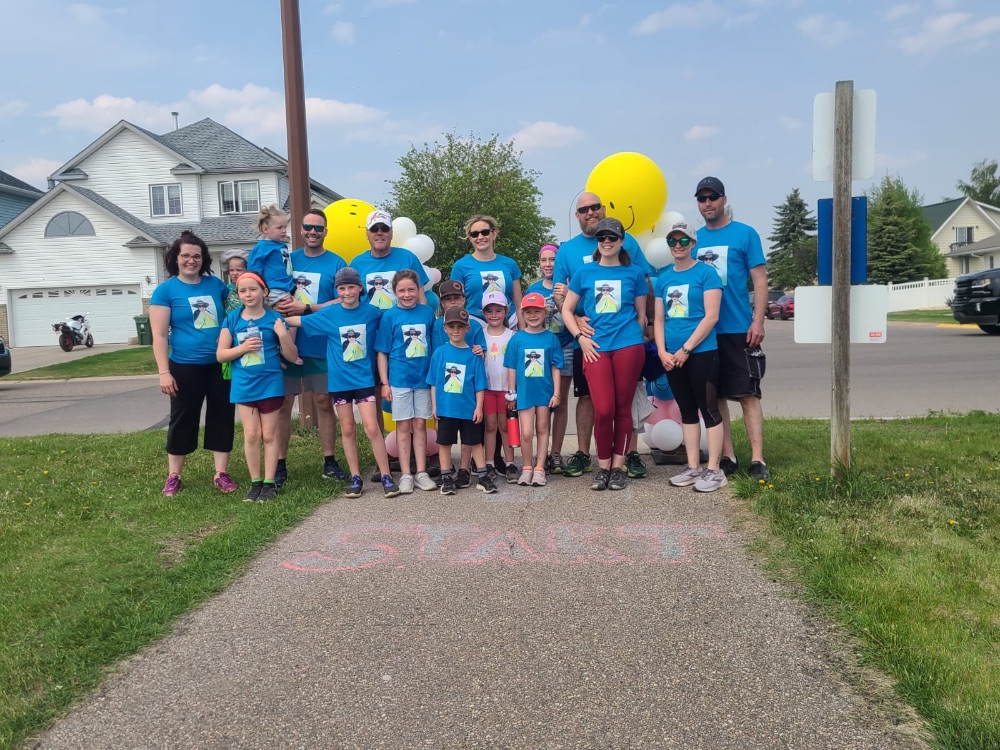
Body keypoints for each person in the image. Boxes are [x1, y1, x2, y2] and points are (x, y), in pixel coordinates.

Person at [552, 192, 654, 480]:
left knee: (623, 408)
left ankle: (617, 467)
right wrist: (580, 337)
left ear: (622, 241)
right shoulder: (584, 271)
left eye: (612, 237)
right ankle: (602, 464)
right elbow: (567, 309)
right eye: (602, 238)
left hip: (628, 346)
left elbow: (640, 313)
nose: (606, 242)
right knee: (604, 409)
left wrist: (643, 332)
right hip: (594, 347)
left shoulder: (634, 273)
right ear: (597, 241)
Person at [284, 267, 399, 498]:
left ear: (359, 288)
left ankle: (386, 475)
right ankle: (356, 477)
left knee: (371, 426)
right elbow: (298, 320)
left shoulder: (372, 312)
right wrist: (272, 320)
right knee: (347, 428)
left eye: (351, 287)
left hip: (364, 379)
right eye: (342, 288)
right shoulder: (329, 314)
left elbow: (393, 320)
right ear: (337, 290)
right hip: (339, 382)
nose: (347, 292)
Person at [150, 231, 237, 496]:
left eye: (197, 256)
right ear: (175, 258)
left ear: (204, 259)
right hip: (184, 365)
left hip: (220, 363)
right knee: (183, 418)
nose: (191, 260)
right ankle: (174, 475)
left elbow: (235, 315)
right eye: (185, 255)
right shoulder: (165, 291)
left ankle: (221, 473)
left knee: (222, 415)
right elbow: (160, 335)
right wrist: (164, 372)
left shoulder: (215, 286)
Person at [694, 176, 769, 481]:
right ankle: (728, 456)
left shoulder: (744, 235)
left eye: (713, 197)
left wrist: (758, 320)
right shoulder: (693, 240)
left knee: (748, 395)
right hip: (704, 331)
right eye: (702, 198)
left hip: (738, 328)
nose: (708, 203)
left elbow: (761, 280)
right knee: (716, 397)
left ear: (724, 199)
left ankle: (757, 460)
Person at [272, 210, 348, 488]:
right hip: (287, 343)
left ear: (326, 231)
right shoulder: (287, 259)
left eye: (318, 228)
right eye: (308, 227)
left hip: (320, 343)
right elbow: (271, 290)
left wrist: (307, 309)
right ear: (300, 230)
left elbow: (343, 300)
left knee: (323, 402)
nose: (313, 232)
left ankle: (329, 460)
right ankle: (279, 464)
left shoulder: (337, 262)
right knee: (283, 404)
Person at [653, 222, 727, 493]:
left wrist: (686, 349)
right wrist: (662, 351)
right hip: (671, 355)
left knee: (708, 409)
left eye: (683, 241)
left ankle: (715, 470)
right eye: (673, 241)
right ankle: (694, 466)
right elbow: (659, 319)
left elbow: (711, 316)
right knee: (686, 410)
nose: (677, 246)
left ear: (693, 244)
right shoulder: (663, 278)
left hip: (701, 352)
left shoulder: (707, 273)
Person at [217, 272, 298, 503]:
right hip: (244, 385)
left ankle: (269, 482)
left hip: (270, 384)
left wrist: (283, 335)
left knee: (270, 434)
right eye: (243, 291)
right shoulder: (232, 319)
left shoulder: (275, 319)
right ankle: (255, 482)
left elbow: (292, 356)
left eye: (253, 289)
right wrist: (242, 349)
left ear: (264, 292)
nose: (248, 294)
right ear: (238, 294)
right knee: (252, 435)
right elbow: (221, 355)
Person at [375, 269, 438, 494]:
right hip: (399, 379)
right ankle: (406, 474)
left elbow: (435, 345)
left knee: (420, 424)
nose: (407, 294)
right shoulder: (389, 316)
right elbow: (382, 351)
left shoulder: (427, 313)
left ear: (418, 289)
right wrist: (385, 382)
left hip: (423, 379)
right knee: (403, 425)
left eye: (411, 289)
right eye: (402, 290)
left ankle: (421, 472)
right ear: (395, 292)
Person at [427, 307, 497, 495]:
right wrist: (434, 406)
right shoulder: (439, 353)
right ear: (445, 328)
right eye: (452, 326)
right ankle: (446, 477)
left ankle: (482, 476)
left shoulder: (474, 356)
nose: (456, 330)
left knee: (474, 442)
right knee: (445, 443)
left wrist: (479, 408)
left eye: (460, 326)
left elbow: (479, 385)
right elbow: (433, 382)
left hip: (468, 409)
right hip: (446, 409)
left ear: (468, 329)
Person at [431, 279, 488, 488]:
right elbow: (435, 369)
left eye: (457, 298)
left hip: (467, 391)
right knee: (446, 439)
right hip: (446, 394)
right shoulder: (437, 326)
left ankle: (465, 470)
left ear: (464, 299)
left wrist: (479, 351)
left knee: (470, 437)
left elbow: (481, 351)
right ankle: (447, 475)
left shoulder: (472, 323)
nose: (453, 302)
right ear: (442, 303)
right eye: (448, 299)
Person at [504, 292, 563, 487]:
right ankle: (527, 467)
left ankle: (540, 468)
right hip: (525, 393)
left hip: (544, 393)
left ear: (545, 312)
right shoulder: (517, 339)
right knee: (527, 432)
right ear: (522, 314)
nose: (532, 315)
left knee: (543, 429)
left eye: (536, 311)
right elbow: (511, 368)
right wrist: (511, 393)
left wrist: (556, 393)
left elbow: (555, 368)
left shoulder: (551, 339)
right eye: (528, 312)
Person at [526, 244, 573, 474]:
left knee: (559, 401)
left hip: (564, 346)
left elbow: (575, 315)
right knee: (539, 403)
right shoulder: (533, 289)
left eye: (552, 260)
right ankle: (540, 452)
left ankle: (555, 453)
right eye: (543, 260)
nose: (548, 264)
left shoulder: (568, 287)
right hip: (539, 351)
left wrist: (563, 299)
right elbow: (527, 320)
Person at [450, 215, 523, 327]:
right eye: (474, 234)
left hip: (509, 325)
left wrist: (522, 333)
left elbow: (519, 304)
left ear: (494, 233)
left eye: (485, 232)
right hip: (476, 326)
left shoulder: (510, 264)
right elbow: (456, 304)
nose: (480, 237)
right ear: (470, 238)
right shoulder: (460, 266)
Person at [350, 210, 429, 310]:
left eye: (384, 228)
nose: (379, 233)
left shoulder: (408, 257)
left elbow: (421, 300)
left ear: (391, 232)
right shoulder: (356, 264)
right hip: (371, 324)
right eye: (374, 229)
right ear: (367, 234)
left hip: (402, 323)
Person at [480, 291, 518, 484]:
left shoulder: (513, 335)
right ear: (483, 313)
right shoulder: (480, 335)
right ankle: (489, 463)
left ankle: (510, 462)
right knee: (490, 426)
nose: (494, 315)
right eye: (489, 311)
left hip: (505, 390)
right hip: (487, 390)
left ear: (506, 311)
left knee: (505, 426)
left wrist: (513, 393)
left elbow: (516, 366)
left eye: (498, 310)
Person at [221, 249, 248, 314]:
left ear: (247, 270)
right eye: (231, 270)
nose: (234, 273)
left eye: (239, 270)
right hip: (230, 321)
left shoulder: (250, 287)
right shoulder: (227, 288)